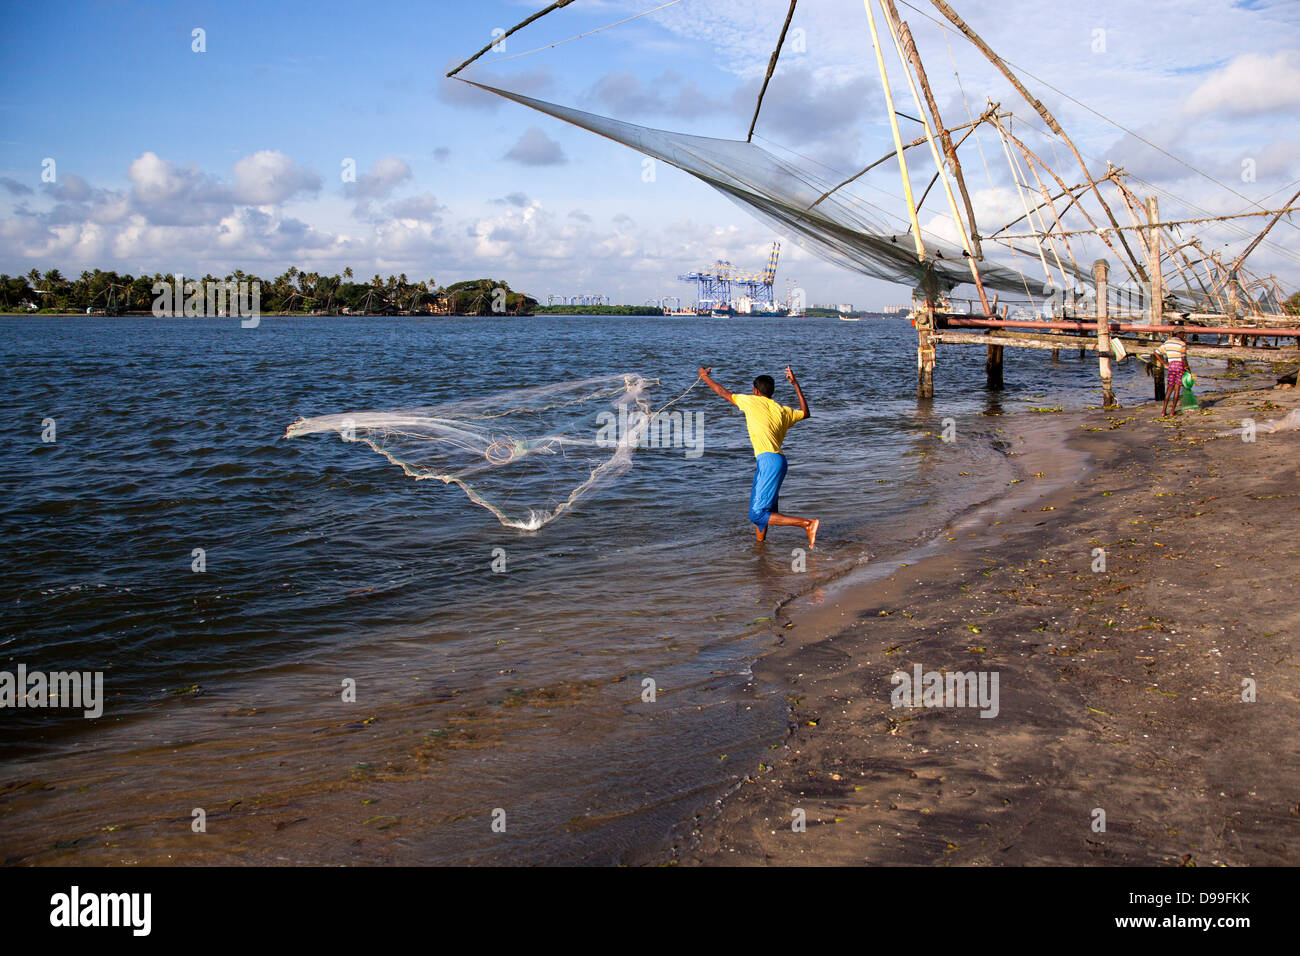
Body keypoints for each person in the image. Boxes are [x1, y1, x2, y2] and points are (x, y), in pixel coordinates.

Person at [698, 364, 819, 547]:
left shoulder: (751, 401)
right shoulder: (782, 410)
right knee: (765, 511)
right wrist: (795, 384)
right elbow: (805, 413)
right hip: (777, 461)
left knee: (757, 514)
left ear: (755, 390)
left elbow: (722, 392)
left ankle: (807, 524)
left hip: (769, 462)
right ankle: (760, 548)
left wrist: (704, 377)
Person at [1158, 326, 1190, 416]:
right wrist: (1188, 370)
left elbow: (1156, 352)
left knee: (1169, 389)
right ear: (1179, 333)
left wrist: (1164, 363)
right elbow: (1184, 359)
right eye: (1183, 333)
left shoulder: (1167, 343)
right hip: (1180, 366)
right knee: (1177, 390)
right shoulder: (1182, 344)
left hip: (1171, 366)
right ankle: (1172, 411)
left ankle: (1163, 411)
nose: (1184, 335)